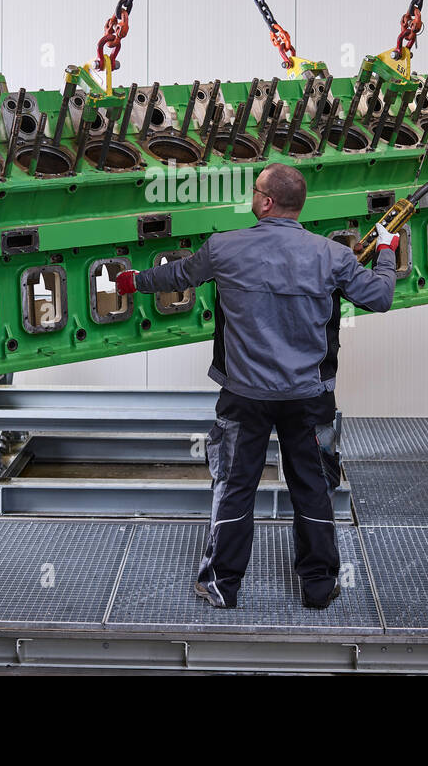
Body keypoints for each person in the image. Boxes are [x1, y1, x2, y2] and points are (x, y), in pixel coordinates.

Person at [113, 162, 399, 608]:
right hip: (309, 400)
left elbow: (177, 275)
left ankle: (223, 586)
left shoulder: (224, 248)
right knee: (314, 486)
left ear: (265, 202)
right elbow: (380, 296)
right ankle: (319, 587)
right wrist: (386, 250)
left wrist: (132, 281)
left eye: (255, 190)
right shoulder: (332, 255)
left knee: (234, 486)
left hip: (244, 398)